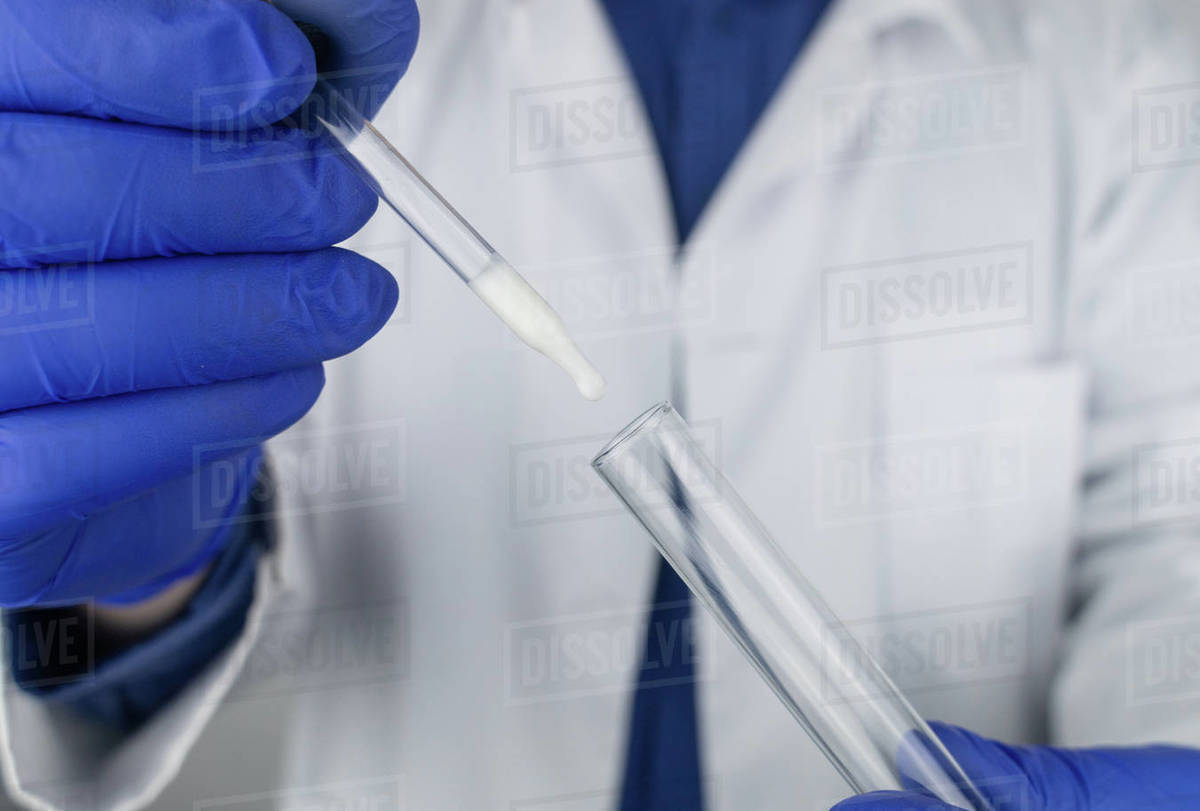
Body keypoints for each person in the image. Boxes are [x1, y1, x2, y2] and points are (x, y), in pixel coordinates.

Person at [2, 0, 1200, 808]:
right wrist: (132, 567)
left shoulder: (1120, 66)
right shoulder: (317, 50)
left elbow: (1177, 555)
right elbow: (162, 592)